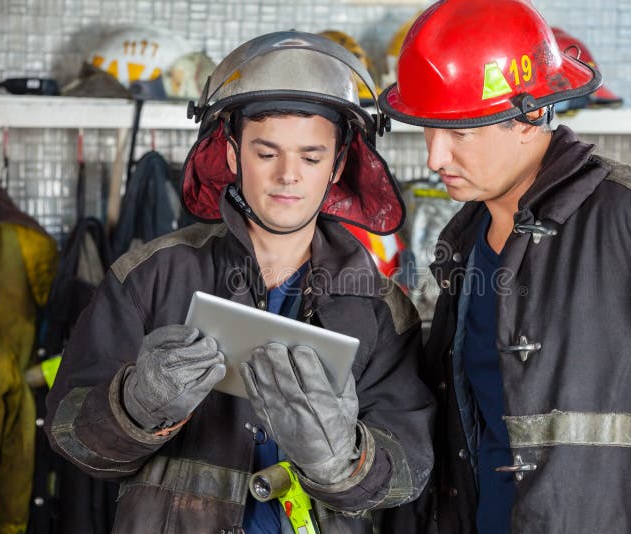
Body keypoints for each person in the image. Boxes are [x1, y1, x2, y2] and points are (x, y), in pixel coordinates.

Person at [377, 1, 631, 533]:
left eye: (460, 133)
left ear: (528, 116)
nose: (434, 157)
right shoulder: (464, 242)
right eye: (429, 129)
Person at [45, 31, 434, 534]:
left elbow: (410, 471)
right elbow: (70, 436)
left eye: (312, 157)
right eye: (266, 153)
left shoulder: (380, 309)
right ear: (231, 154)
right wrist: (134, 406)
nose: (288, 175)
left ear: (338, 164)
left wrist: (345, 456)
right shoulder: (152, 276)